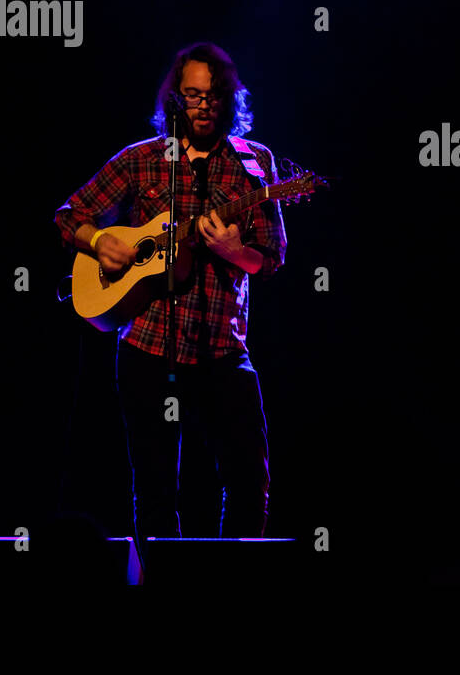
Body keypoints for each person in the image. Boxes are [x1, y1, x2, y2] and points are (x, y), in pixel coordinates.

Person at [55, 42, 287, 554]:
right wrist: (100, 241)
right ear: (176, 99)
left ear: (230, 100)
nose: (204, 106)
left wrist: (233, 251)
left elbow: (270, 258)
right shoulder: (142, 160)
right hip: (148, 348)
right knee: (156, 494)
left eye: (214, 96)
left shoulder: (256, 164)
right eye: (193, 96)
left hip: (223, 351)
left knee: (250, 481)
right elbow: (70, 214)